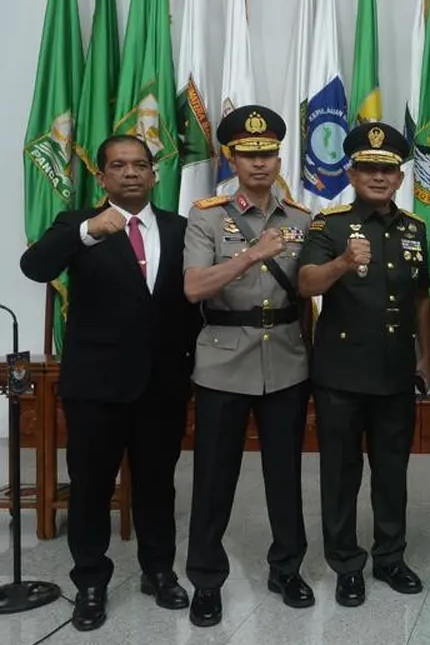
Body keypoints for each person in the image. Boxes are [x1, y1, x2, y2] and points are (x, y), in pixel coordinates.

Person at [19, 135, 198, 632]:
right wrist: (87, 232)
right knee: (91, 487)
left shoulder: (181, 228)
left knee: (157, 485)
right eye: (118, 166)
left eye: (141, 165)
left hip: (162, 384)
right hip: (96, 385)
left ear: (154, 174)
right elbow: (35, 267)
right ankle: (91, 581)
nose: (131, 173)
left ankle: (159, 571)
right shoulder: (76, 224)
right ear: (101, 177)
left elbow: (193, 303)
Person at [181, 106, 314, 627]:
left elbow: (306, 297)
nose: (259, 163)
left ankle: (287, 568)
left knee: (285, 476)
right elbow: (193, 287)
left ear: (279, 157)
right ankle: (206, 580)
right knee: (214, 479)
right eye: (248, 154)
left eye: (267, 153)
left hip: (285, 360)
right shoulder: (208, 216)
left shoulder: (301, 219)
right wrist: (249, 256)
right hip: (222, 362)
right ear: (231, 158)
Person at [298, 123, 430, 608]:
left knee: (392, 470)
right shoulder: (328, 225)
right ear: (351, 172)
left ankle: (390, 557)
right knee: (340, 471)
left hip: (396, 371)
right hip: (340, 372)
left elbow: (421, 297)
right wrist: (342, 263)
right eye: (369, 168)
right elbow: (307, 284)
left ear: (399, 178)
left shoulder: (415, 228)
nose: (379, 177)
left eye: (388, 170)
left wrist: (427, 356)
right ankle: (346, 563)